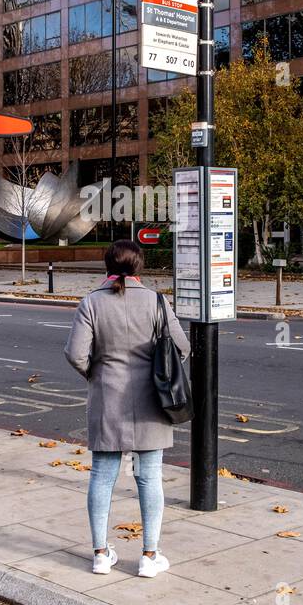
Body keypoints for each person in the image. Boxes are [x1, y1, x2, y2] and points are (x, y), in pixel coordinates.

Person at [64, 239, 189, 578]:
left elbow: (75, 354)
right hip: (151, 401)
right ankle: (149, 555)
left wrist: (96, 374)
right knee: (149, 478)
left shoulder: (91, 303)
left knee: (102, 477)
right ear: (138, 267)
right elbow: (182, 346)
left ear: (107, 266)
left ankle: (101, 554)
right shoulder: (156, 302)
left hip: (108, 400)